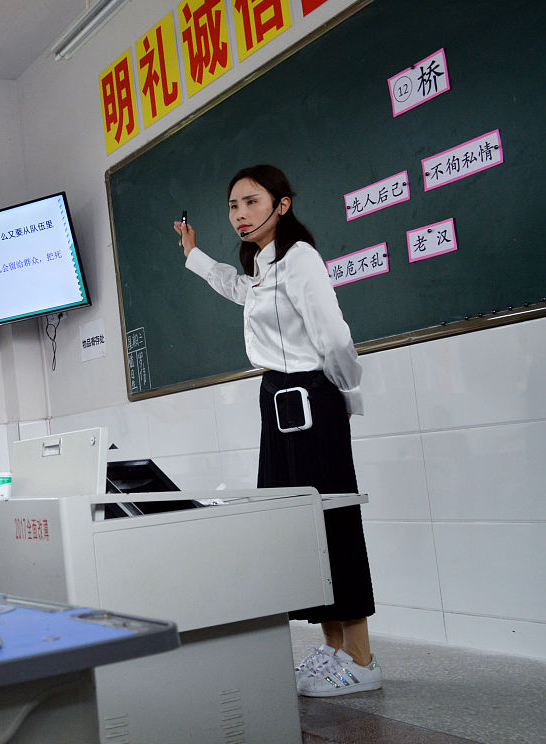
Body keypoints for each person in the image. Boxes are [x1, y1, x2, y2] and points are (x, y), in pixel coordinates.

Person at [174, 165, 380, 697]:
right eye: (233, 206)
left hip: (312, 398)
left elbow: (334, 336)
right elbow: (239, 289)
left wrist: (345, 393)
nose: (239, 215)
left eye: (251, 202)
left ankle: (361, 658)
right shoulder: (265, 266)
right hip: (278, 401)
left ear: (281, 205)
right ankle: (333, 648)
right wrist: (194, 255)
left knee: (330, 523)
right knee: (296, 529)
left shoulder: (299, 258)